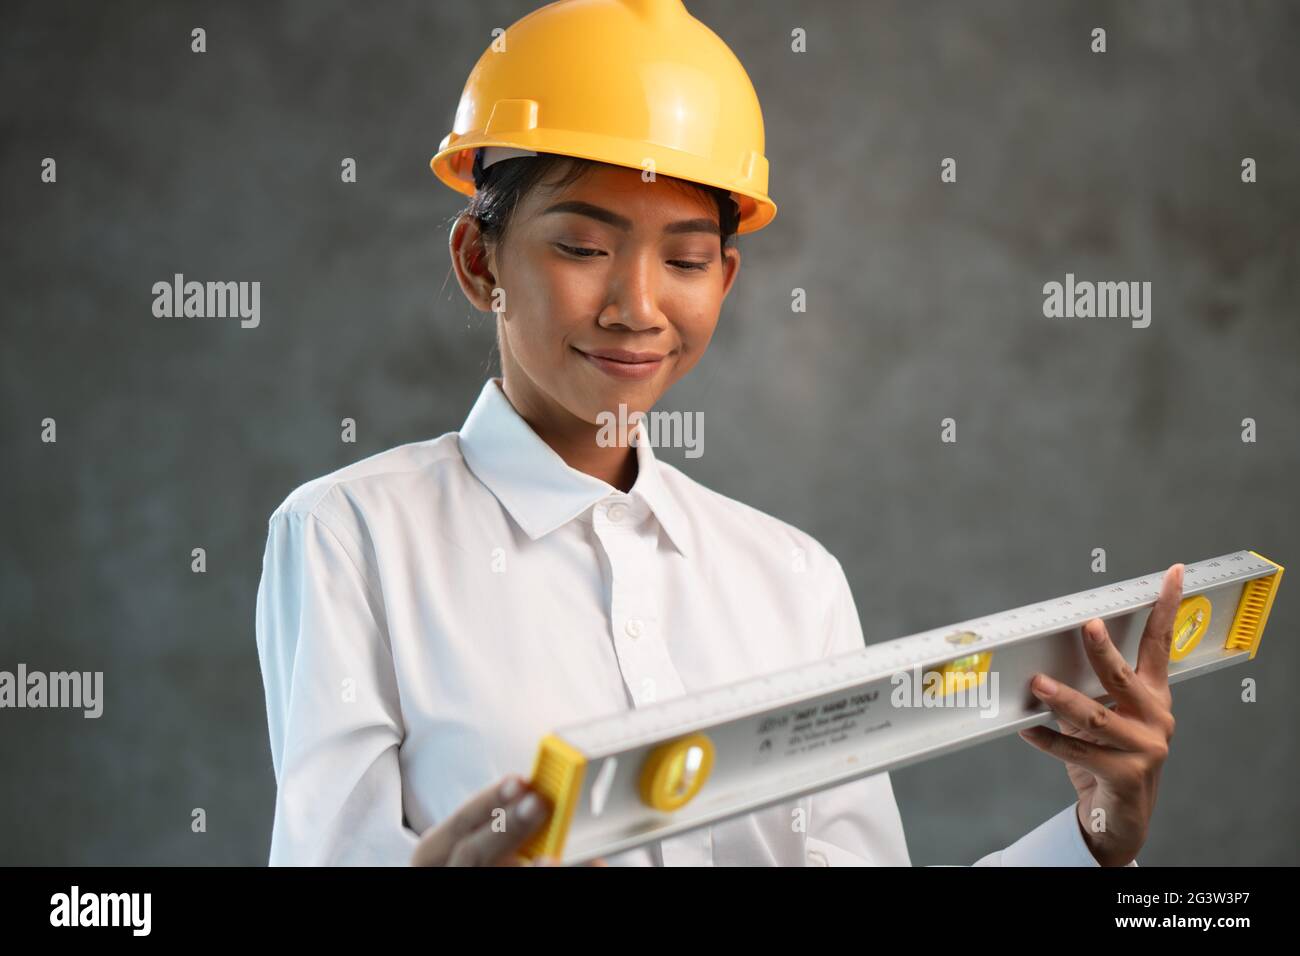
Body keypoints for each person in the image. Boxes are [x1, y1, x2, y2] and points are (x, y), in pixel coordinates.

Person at [254, 0, 1180, 866]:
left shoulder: (792, 580)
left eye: (686, 258)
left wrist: (1092, 835)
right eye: (582, 246)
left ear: (725, 280)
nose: (638, 306)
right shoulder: (352, 537)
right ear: (477, 260)